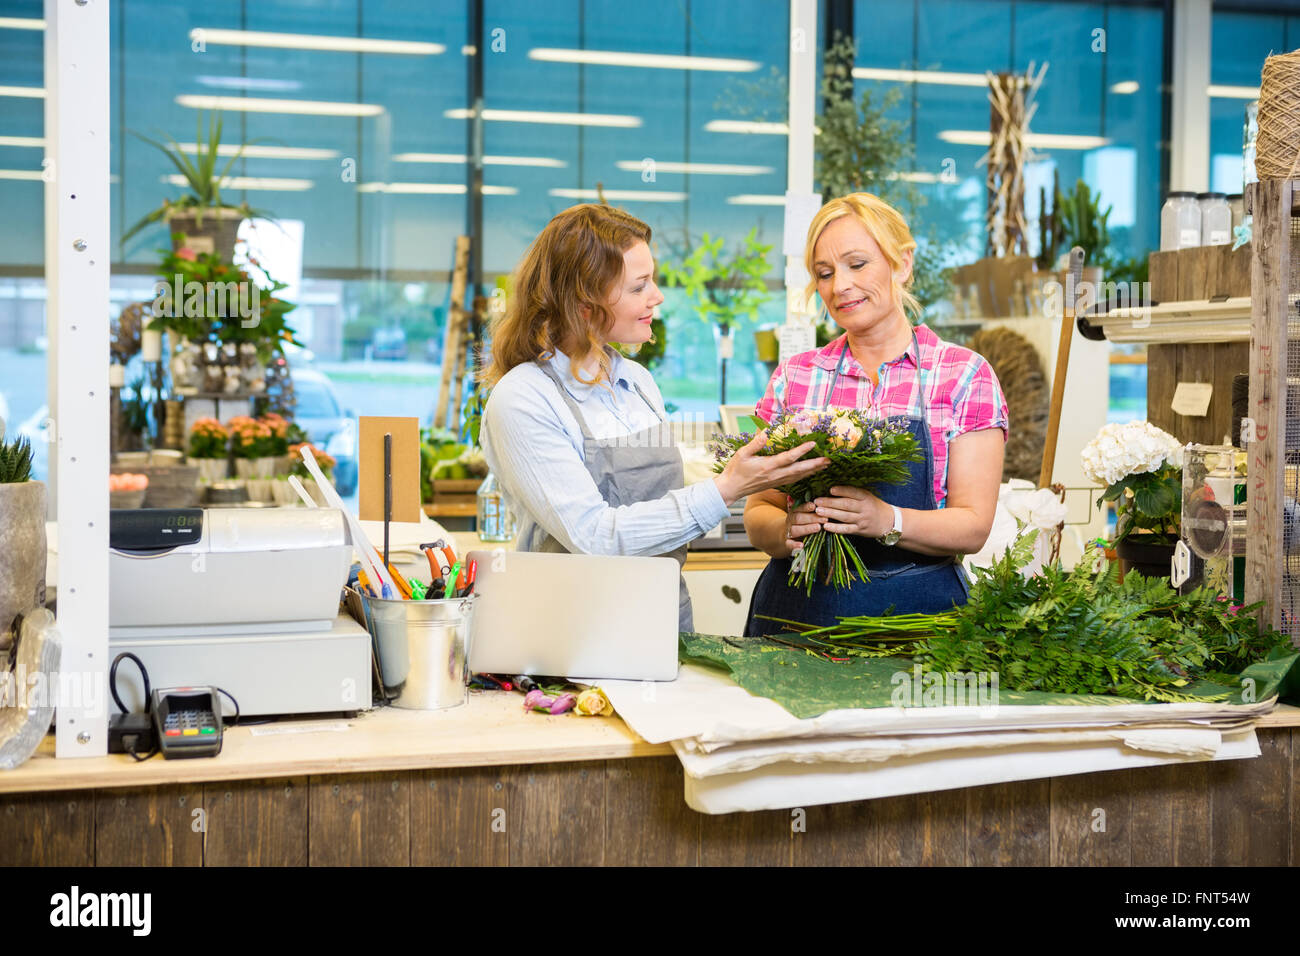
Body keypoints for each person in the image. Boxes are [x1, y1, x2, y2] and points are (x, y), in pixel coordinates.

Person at [480, 203, 828, 631]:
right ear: (584, 304)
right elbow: (594, 537)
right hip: (572, 635)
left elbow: (661, 518)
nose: (657, 296)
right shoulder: (525, 398)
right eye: (639, 286)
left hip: (663, 621)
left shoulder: (638, 383)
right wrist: (727, 487)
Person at [743, 192, 1008, 634]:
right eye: (824, 274)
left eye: (857, 264)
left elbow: (973, 527)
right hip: (795, 616)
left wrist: (887, 520)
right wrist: (787, 528)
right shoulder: (796, 376)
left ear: (902, 263)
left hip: (919, 621)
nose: (839, 285)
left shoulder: (962, 374)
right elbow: (759, 511)